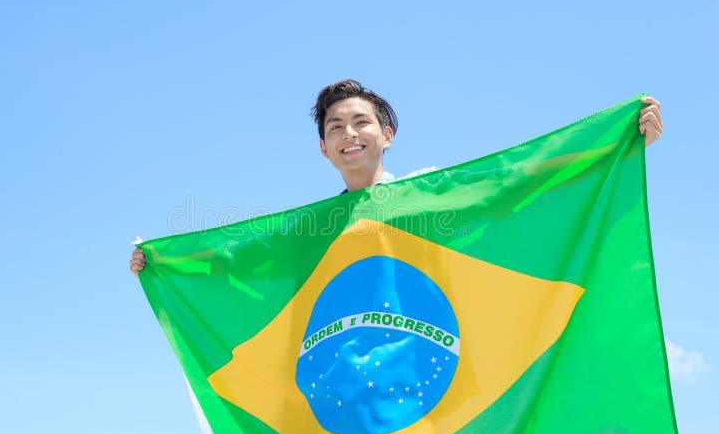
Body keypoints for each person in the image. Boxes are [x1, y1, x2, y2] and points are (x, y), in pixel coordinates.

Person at [130, 80, 663, 274]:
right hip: (348, 396)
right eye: (335, 127)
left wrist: (614, 146)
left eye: (361, 122)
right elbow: (241, 257)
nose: (349, 134)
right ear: (323, 149)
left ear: (387, 135)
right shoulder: (315, 228)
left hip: (430, 376)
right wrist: (163, 262)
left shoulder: (425, 192)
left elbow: (513, 179)